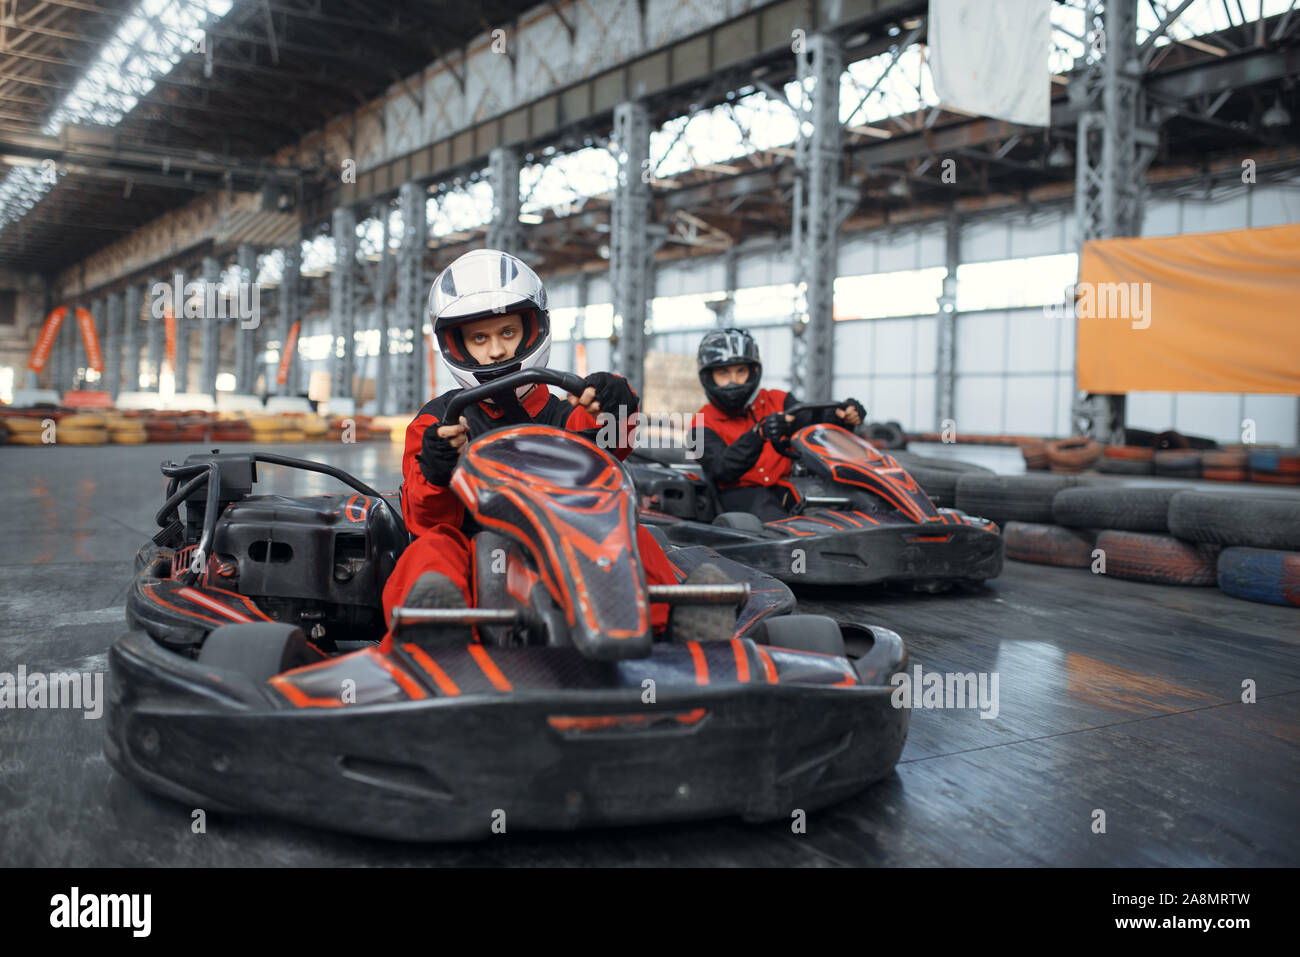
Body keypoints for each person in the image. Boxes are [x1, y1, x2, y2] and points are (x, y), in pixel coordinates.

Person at [380, 248, 697, 647]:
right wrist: (437, 470)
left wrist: (619, 403)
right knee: (431, 550)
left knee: (632, 534)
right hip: (475, 554)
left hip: (565, 545)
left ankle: (673, 625)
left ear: (531, 330)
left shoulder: (566, 411)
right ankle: (432, 629)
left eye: (507, 333)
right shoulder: (439, 421)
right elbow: (425, 520)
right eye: (480, 338)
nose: (495, 351)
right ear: (458, 346)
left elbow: (612, 446)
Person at [691, 327, 866, 521]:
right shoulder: (700, 425)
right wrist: (758, 435)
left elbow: (815, 422)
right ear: (709, 377)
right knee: (776, 521)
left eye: (740, 371)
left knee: (842, 509)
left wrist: (844, 416)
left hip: (786, 487)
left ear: (753, 372)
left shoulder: (778, 401)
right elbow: (720, 469)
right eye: (724, 373)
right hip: (738, 497)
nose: (734, 381)